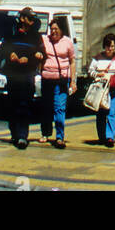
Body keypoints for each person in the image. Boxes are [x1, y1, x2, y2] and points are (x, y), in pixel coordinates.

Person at [0, 7, 43, 149]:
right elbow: (2, 50)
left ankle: (22, 136)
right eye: (30, 18)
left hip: (27, 75)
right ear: (22, 19)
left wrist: (34, 58)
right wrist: (11, 55)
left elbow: (41, 53)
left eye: (33, 19)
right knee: (13, 105)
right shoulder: (11, 33)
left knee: (25, 105)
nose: (32, 22)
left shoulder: (36, 36)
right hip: (13, 75)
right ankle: (15, 133)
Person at [39, 18, 76, 148]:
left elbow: (72, 62)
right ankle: (45, 133)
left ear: (61, 30)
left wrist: (73, 82)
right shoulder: (45, 40)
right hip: (47, 79)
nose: (53, 32)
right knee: (46, 107)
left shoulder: (68, 42)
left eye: (56, 29)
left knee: (59, 108)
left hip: (61, 80)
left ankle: (60, 136)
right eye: (52, 29)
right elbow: (39, 53)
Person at [87, 33, 115, 147]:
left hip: (114, 89)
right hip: (101, 90)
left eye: (112, 46)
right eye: (108, 46)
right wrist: (98, 74)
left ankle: (110, 137)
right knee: (101, 114)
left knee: (112, 113)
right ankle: (102, 136)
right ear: (104, 46)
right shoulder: (97, 58)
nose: (110, 49)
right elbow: (90, 71)